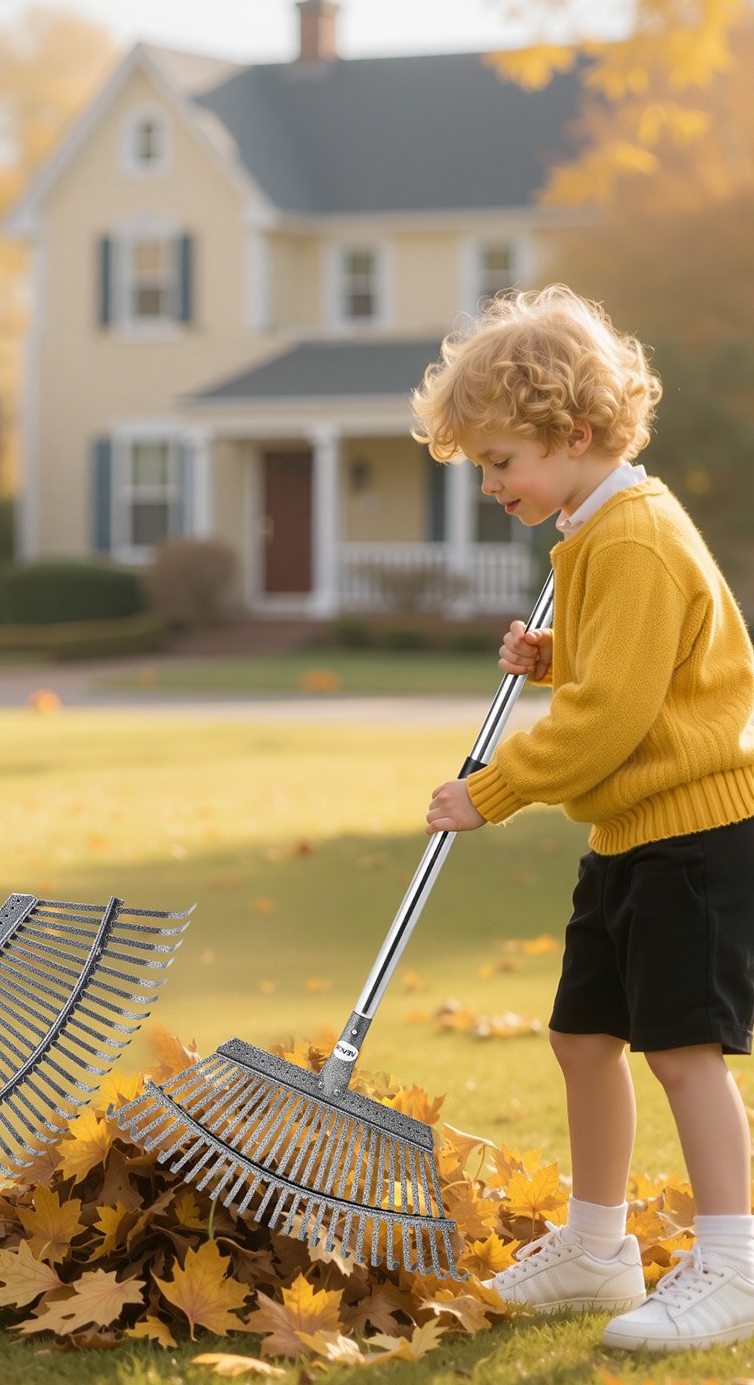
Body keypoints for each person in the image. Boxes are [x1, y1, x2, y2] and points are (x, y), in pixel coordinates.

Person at [412, 286, 754, 1353]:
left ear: (577, 433)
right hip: (628, 836)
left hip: (690, 837)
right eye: (478, 465)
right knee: (579, 1035)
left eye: (501, 459)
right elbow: (622, 670)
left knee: (684, 1049)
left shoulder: (635, 538)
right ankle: (599, 1248)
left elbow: (611, 719)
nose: (490, 483)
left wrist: (494, 788)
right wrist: (556, 657)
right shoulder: (596, 530)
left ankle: (735, 1261)